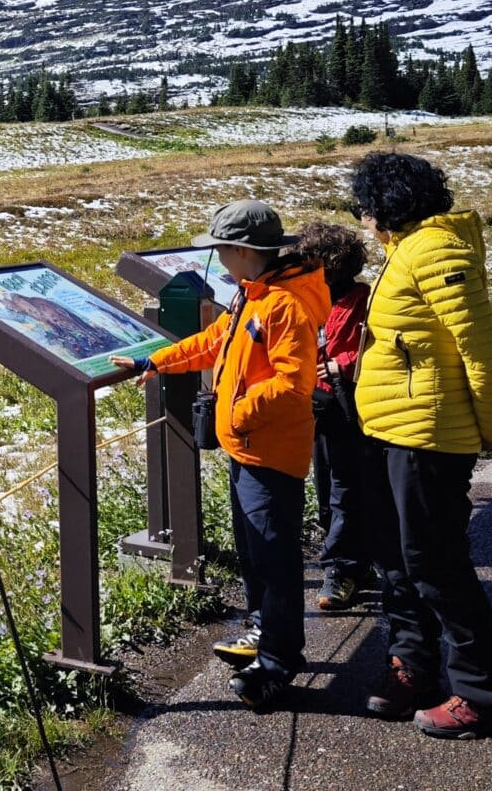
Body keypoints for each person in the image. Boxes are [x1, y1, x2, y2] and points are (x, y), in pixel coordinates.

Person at [115, 199, 329, 710]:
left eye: (218, 249)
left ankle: (278, 661)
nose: (216, 258)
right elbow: (218, 341)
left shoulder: (284, 303)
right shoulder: (255, 294)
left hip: (269, 452)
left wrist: (233, 413)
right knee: (255, 550)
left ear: (241, 250)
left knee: (274, 559)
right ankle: (261, 630)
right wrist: (159, 360)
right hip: (249, 447)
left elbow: (294, 384)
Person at [348, 152, 492, 739]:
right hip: (393, 431)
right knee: (397, 560)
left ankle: (484, 695)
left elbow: (486, 347)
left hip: (427, 437)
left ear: (384, 207)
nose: (363, 220)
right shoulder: (411, 248)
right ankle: (416, 666)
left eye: (364, 207)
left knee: (436, 564)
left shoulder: (435, 251)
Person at [295, 220, 375, 611]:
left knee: (344, 488)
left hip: (347, 406)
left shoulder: (361, 299)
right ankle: (356, 562)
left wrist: (342, 365)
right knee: (328, 488)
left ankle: (340, 569)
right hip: (319, 406)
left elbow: (376, 347)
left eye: (309, 263)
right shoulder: (314, 299)